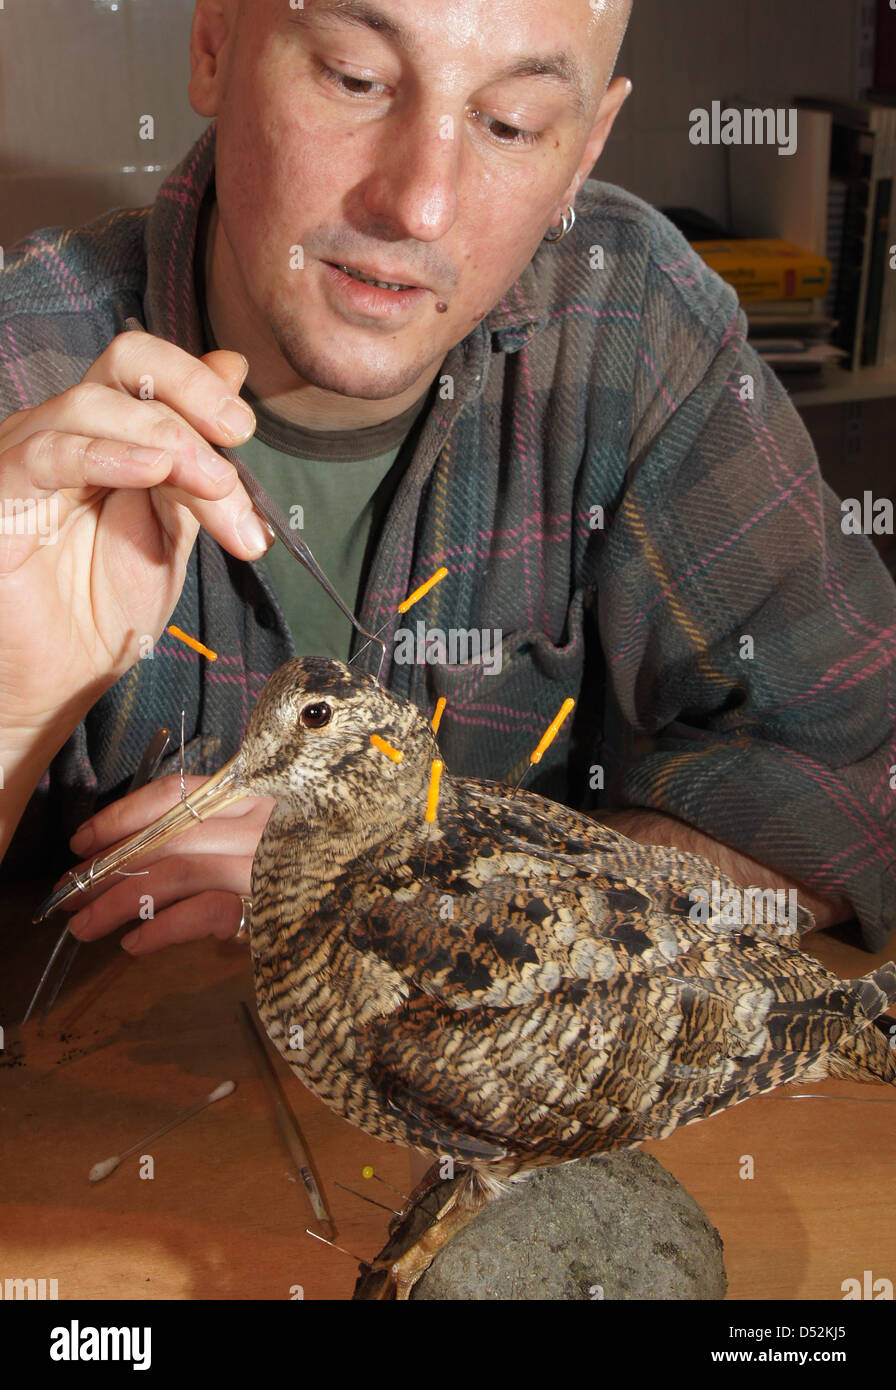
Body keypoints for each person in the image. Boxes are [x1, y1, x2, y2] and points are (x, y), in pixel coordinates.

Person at [1, 0, 892, 960]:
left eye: (511, 124)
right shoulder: (25, 374)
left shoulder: (631, 322)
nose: (420, 205)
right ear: (215, 41)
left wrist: (431, 892)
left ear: (586, 149)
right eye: (355, 79)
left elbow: (864, 781)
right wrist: (11, 711)